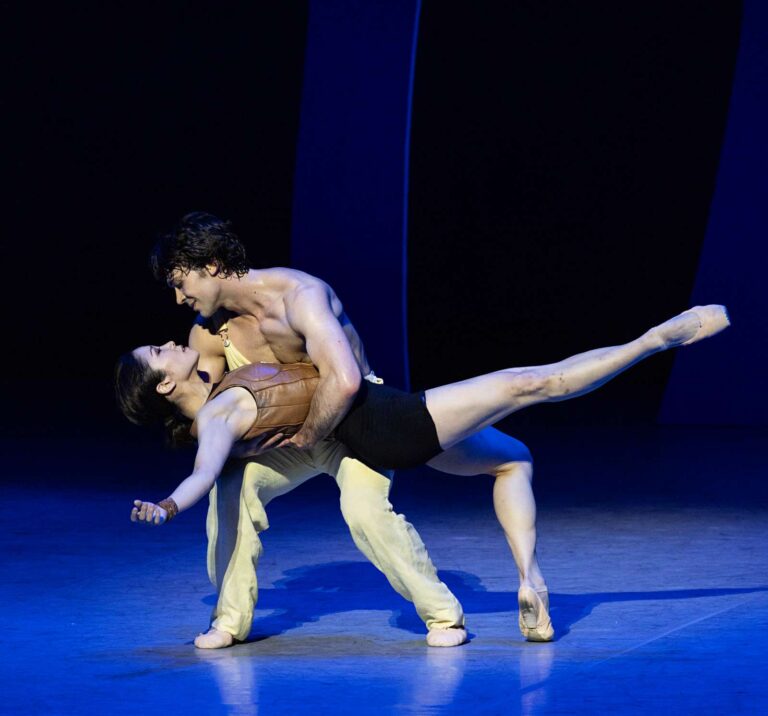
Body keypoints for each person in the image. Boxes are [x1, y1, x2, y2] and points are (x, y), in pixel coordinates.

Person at [118, 305, 729, 642]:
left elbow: (220, 336)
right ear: (166, 383)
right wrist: (169, 506)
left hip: (377, 432)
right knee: (533, 383)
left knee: (514, 457)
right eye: (158, 351)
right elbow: (203, 471)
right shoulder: (216, 414)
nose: (169, 338)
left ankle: (530, 583)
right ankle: (649, 341)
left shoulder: (217, 361)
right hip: (394, 424)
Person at [131, 212, 547, 649]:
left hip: (353, 424)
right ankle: (229, 619)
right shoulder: (207, 334)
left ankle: (444, 615)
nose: (179, 298)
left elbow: (346, 381)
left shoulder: (298, 294)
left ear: (210, 266)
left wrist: (309, 432)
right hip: (287, 440)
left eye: (181, 283)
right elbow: (211, 412)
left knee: (364, 510)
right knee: (230, 492)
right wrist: (218, 450)